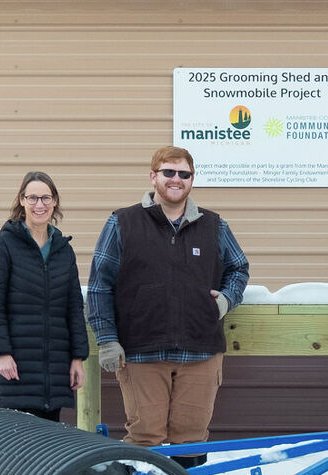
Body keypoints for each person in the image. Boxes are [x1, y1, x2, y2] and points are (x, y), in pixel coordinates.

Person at [87, 146, 250, 456]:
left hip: (201, 351)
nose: (177, 179)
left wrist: (227, 299)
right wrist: (107, 339)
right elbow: (99, 286)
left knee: (191, 440)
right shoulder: (123, 222)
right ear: (153, 177)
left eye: (184, 174)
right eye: (169, 172)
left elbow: (238, 268)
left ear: (192, 180)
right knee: (145, 437)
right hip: (140, 353)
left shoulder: (214, 226)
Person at [0, 172, 89, 422]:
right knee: (14, 447)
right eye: (32, 198)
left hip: (55, 369)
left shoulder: (63, 250)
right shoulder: (2, 245)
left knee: (46, 450)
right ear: (21, 200)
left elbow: (73, 306)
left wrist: (77, 358)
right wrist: (2, 353)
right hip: (15, 368)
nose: (39, 205)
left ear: (54, 202)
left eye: (45, 198)